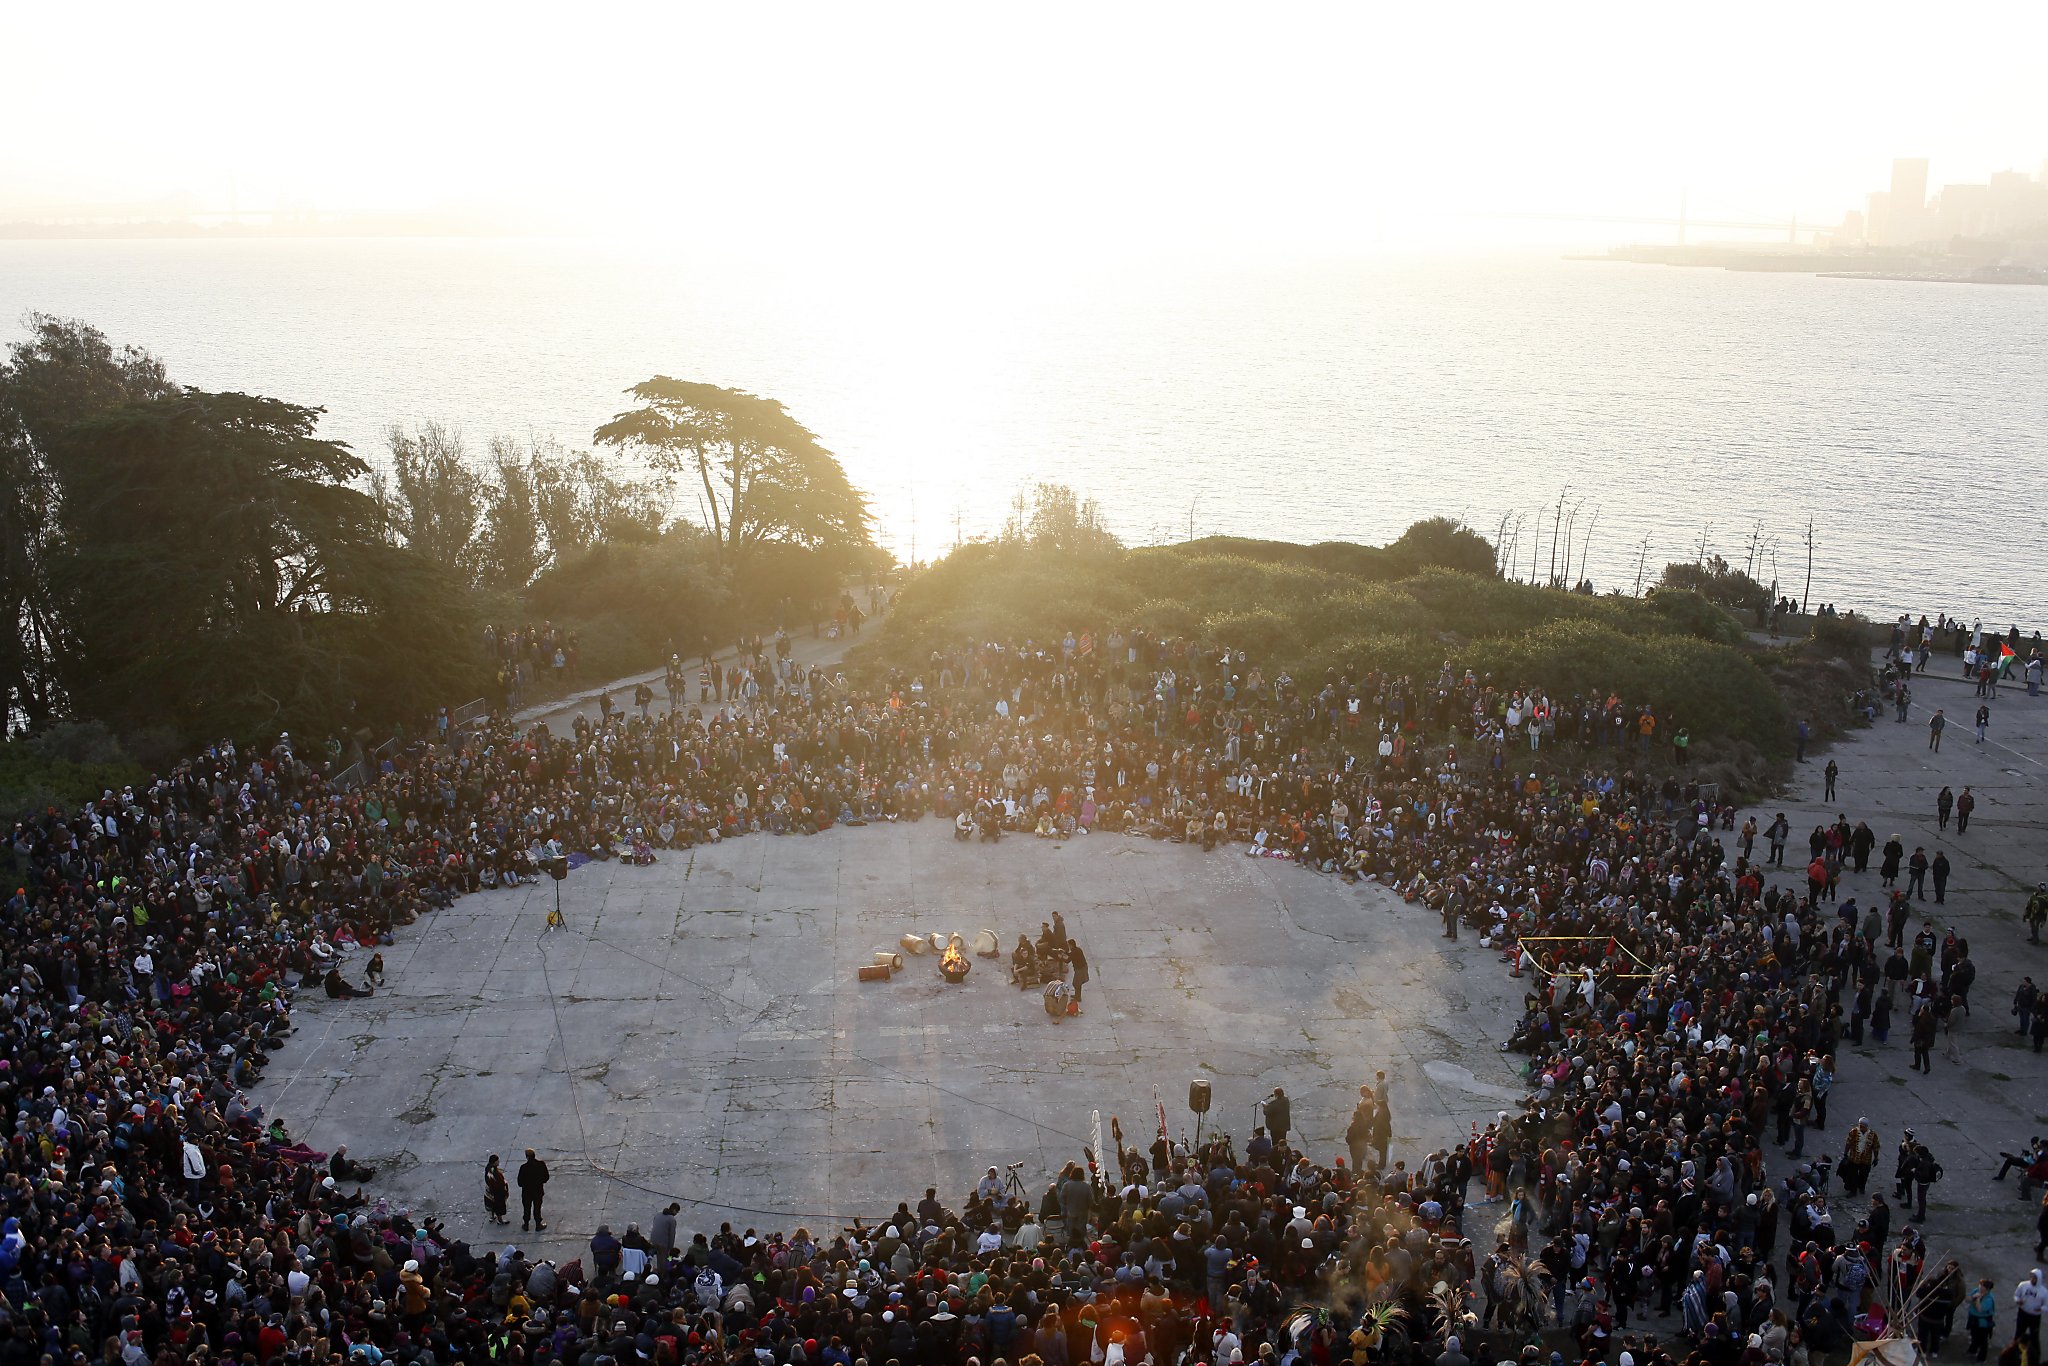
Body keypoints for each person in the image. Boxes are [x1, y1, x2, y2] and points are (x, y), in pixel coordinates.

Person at [518, 1147, 551, 1231]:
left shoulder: (523, 1167)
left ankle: (526, 1225)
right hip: (538, 1191)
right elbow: (546, 1177)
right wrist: (540, 1182)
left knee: (526, 1208)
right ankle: (538, 1224)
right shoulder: (541, 1164)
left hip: (527, 1192)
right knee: (537, 1208)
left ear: (526, 1156)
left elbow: (520, 1183)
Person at [484, 1154, 511, 1225]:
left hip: (490, 1190)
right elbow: (498, 1183)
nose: (499, 1162)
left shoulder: (489, 1168)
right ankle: (500, 1220)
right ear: (495, 1162)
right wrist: (505, 1190)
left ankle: (492, 1216)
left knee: (491, 1204)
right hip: (497, 1192)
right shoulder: (494, 1172)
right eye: (497, 1161)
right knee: (499, 1205)